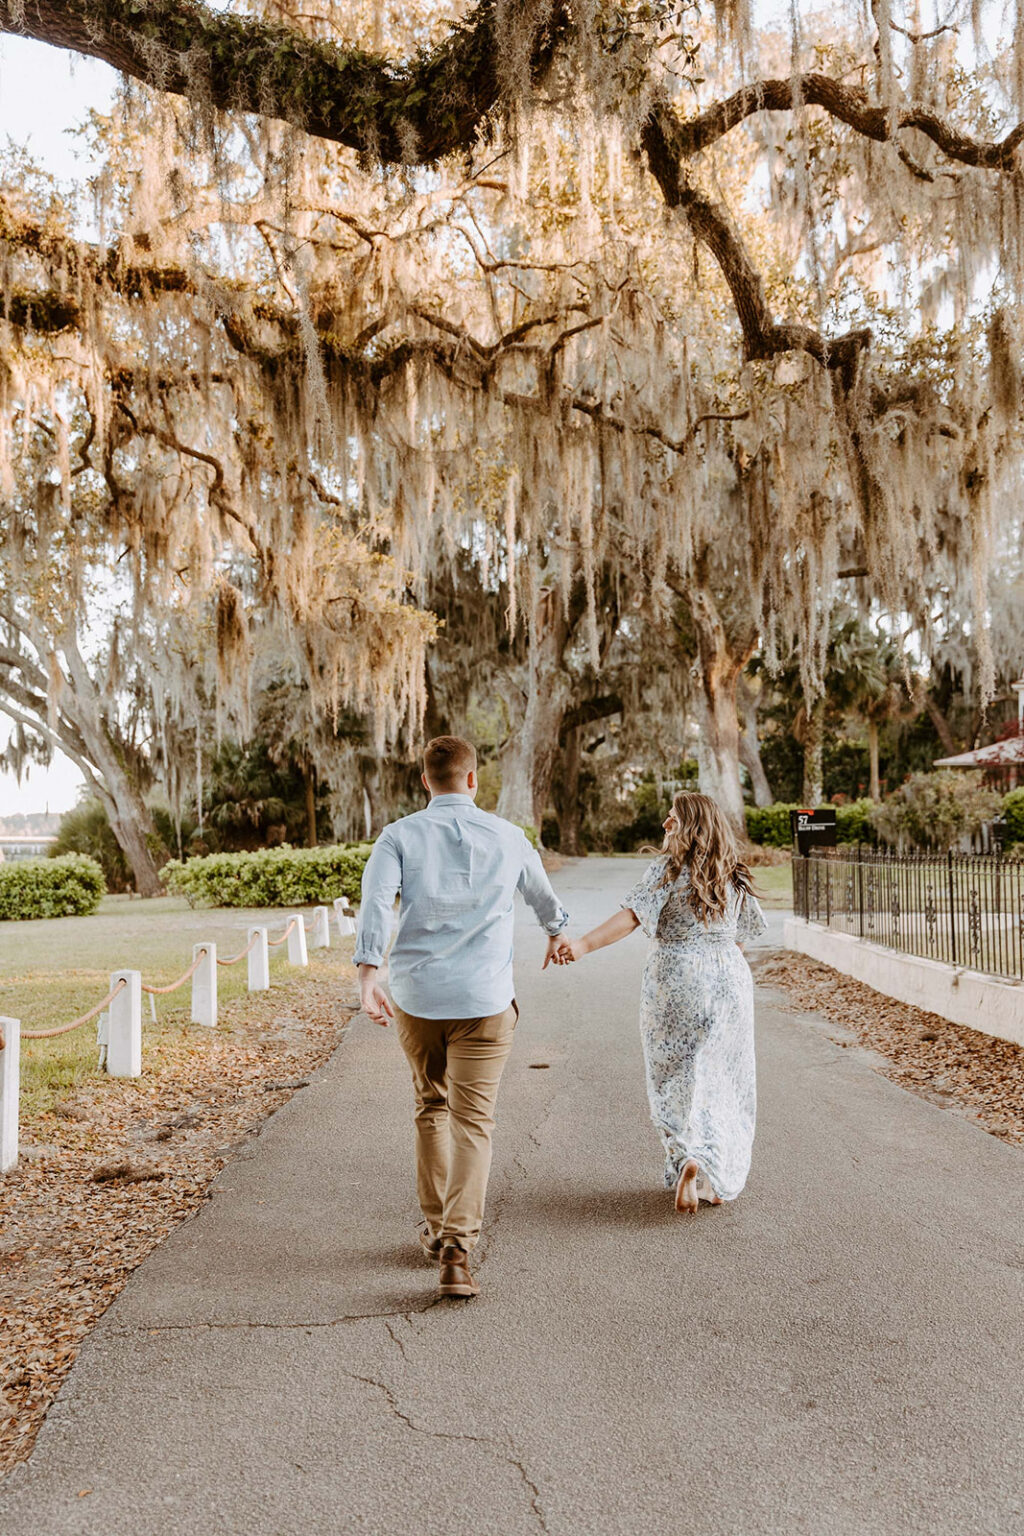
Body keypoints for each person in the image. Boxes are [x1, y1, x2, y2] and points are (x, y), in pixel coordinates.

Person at [354, 735, 569, 1298]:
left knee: (431, 1107)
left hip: (419, 999)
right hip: (484, 1000)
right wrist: (556, 932)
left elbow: (376, 904)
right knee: (473, 1121)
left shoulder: (398, 836)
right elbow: (541, 895)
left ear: (425, 781)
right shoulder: (508, 836)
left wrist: (368, 976)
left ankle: (436, 1230)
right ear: (473, 779)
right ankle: (456, 1248)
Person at [554, 791, 766, 1212]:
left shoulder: (668, 870)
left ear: (691, 826)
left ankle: (687, 1156)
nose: (665, 824)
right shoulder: (734, 873)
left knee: (672, 1074)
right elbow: (742, 937)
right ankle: (713, 1173)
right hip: (729, 980)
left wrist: (581, 946)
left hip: (676, 977)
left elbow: (631, 917)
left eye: (673, 818)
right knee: (723, 1077)